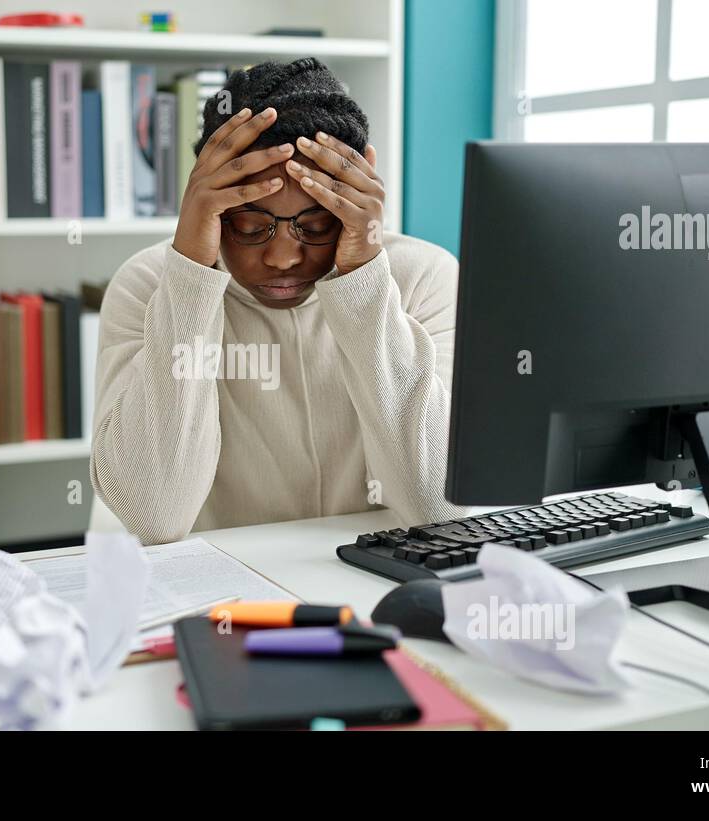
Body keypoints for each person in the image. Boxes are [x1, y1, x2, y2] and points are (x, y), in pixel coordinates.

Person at [90, 57, 465, 545]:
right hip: (227, 599)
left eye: (315, 225)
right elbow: (155, 517)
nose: (284, 257)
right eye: (249, 226)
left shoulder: (424, 278)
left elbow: (441, 507)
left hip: (377, 594)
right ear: (208, 202)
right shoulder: (147, 286)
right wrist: (190, 278)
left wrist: (363, 280)